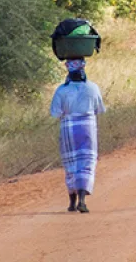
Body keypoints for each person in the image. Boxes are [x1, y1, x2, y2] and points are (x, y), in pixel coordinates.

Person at [51, 59, 105, 213]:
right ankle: (82, 200)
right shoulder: (93, 88)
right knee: (86, 162)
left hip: (68, 129)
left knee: (71, 163)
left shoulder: (61, 90)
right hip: (88, 128)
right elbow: (99, 108)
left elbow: (55, 113)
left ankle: (72, 203)